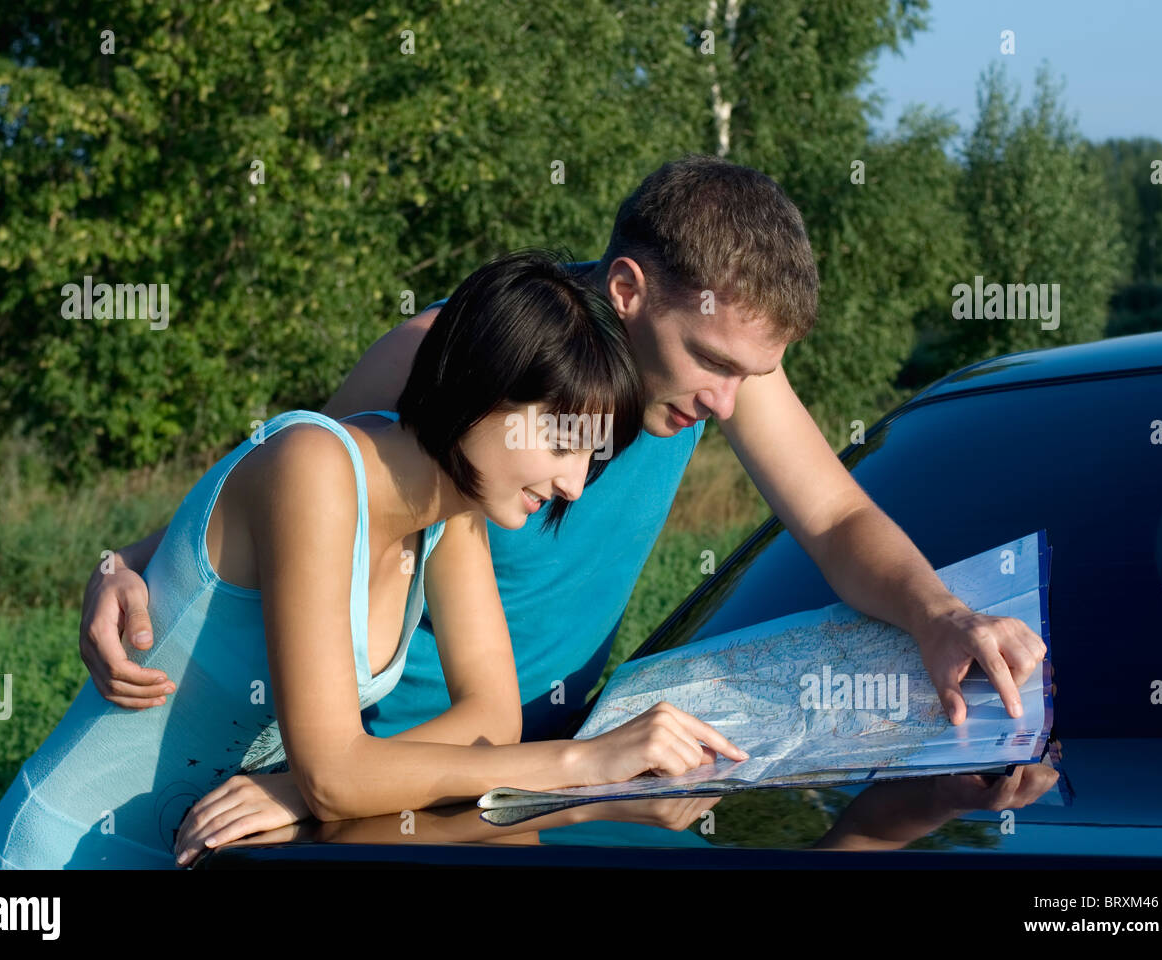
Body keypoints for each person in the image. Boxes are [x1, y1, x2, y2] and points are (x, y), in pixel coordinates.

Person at [82, 155, 1047, 801]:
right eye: (713, 360)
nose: (727, 403)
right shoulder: (444, 353)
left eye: (751, 376)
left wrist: (938, 613)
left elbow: (835, 519)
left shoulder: (725, 372)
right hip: (381, 772)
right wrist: (132, 561)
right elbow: (284, 491)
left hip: (557, 771)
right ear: (627, 290)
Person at [0, 250, 748, 869]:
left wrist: (301, 788)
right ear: (482, 390)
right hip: (61, 859)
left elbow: (491, 721)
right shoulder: (315, 467)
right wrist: (589, 767)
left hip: (210, 856)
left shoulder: (453, 513)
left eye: (592, 457)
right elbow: (339, 773)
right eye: (561, 441)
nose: (575, 482)